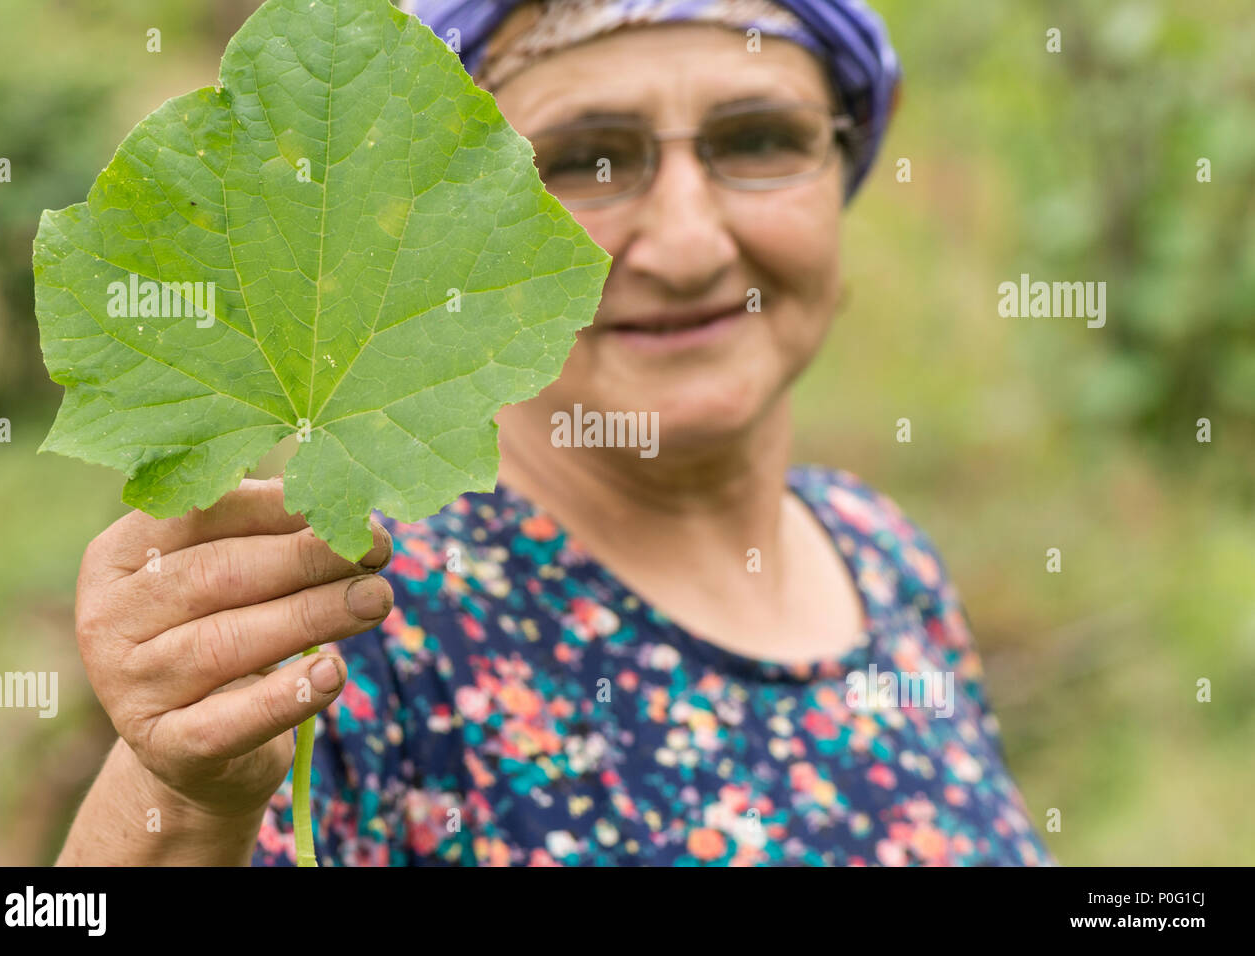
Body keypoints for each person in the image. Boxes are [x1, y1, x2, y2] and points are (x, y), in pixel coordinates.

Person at [57, 0, 1052, 866]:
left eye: (755, 140)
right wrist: (185, 800)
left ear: (845, 164)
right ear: (438, 226)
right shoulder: (360, 621)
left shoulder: (881, 554)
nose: (691, 242)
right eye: (586, 159)